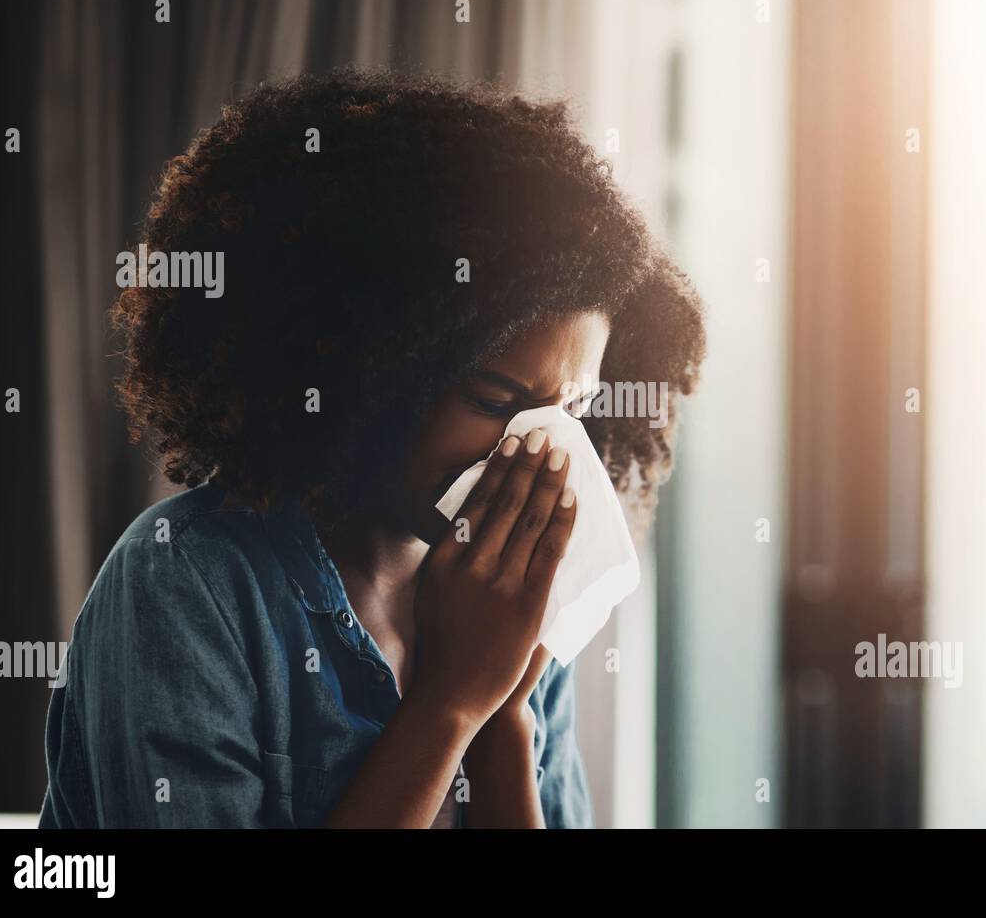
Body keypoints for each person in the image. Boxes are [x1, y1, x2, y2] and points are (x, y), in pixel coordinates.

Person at [37, 68, 705, 828]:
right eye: (495, 401)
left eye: (575, 410)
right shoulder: (187, 584)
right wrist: (451, 704)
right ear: (368, 370)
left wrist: (504, 718)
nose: (545, 449)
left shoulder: (513, 591)